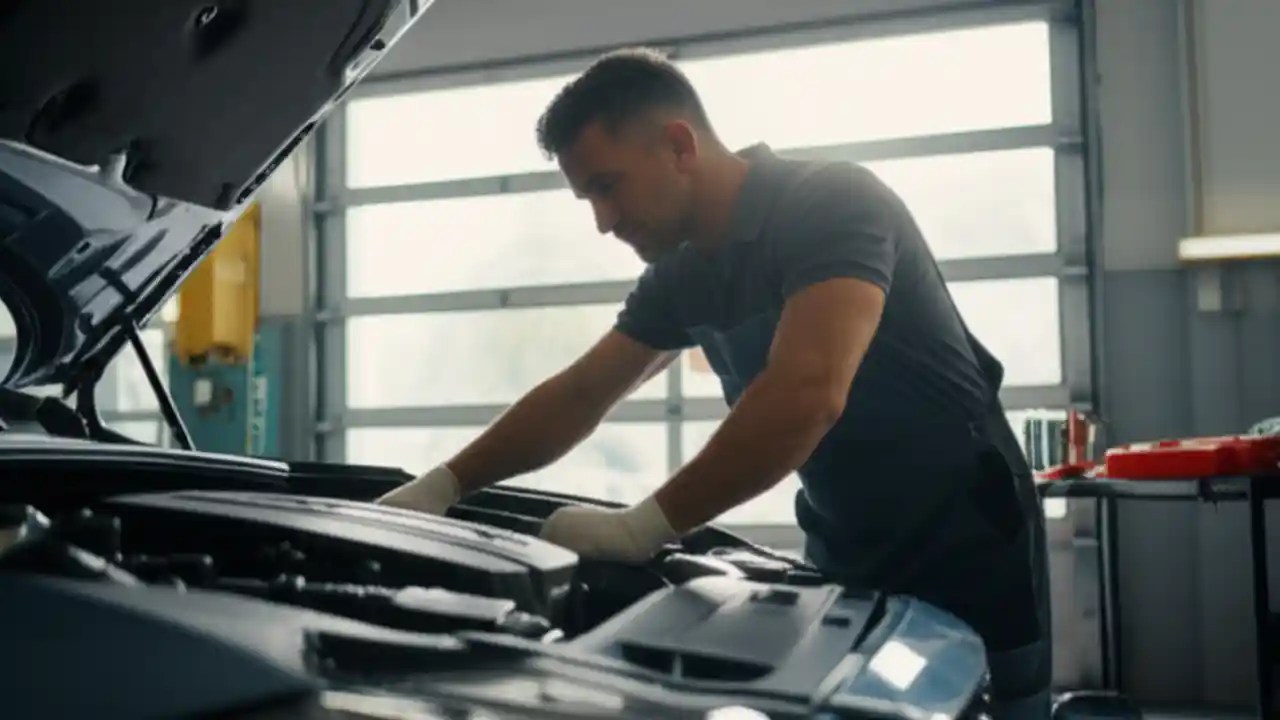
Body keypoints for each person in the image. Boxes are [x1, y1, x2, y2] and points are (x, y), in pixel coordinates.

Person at [376, 48, 1051, 718]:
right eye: (588, 198)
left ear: (678, 145)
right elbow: (581, 394)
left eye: (608, 186)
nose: (603, 222)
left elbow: (808, 391)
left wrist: (645, 527)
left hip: (965, 538)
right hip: (845, 538)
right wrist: (447, 483)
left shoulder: (832, 202)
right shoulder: (684, 275)